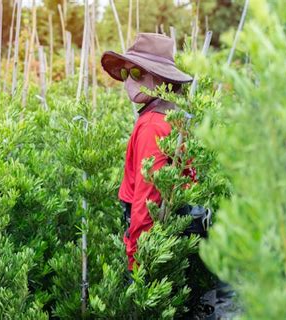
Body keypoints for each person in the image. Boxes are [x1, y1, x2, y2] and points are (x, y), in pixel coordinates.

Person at [100, 33, 196, 272]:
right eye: (125, 73)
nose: (128, 81)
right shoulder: (175, 114)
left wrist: (138, 263)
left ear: (161, 79)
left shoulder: (152, 124)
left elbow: (147, 200)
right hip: (177, 227)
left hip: (152, 237)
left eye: (137, 73)